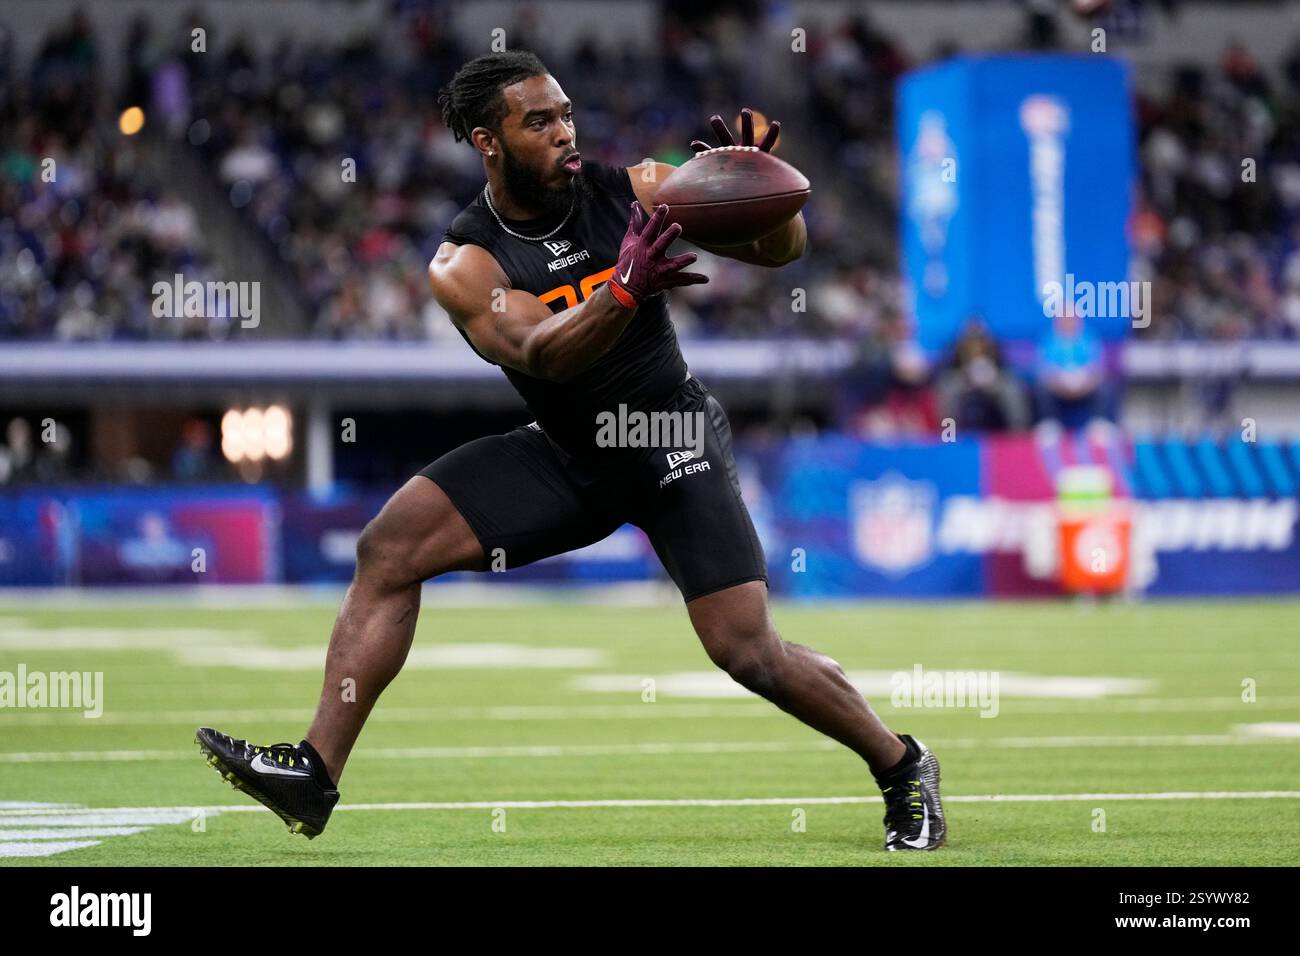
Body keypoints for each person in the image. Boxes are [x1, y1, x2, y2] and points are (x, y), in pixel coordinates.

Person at [196, 50, 945, 852]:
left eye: (566, 114)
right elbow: (541, 353)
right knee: (389, 547)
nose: (565, 133)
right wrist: (622, 288)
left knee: (747, 651)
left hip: (668, 439)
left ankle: (902, 764)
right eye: (539, 121)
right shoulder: (465, 262)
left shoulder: (636, 190)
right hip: (569, 453)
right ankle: (315, 772)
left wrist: (753, 188)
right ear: (488, 142)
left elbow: (782, 249)